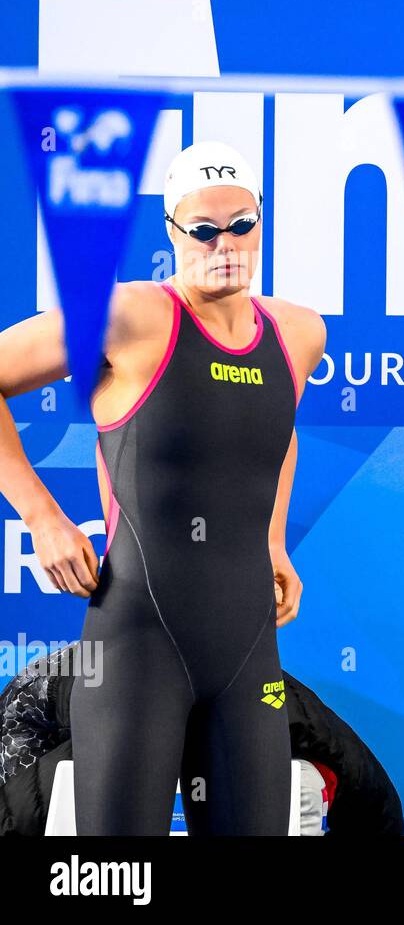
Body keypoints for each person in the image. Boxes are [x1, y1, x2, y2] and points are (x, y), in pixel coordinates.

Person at [0, 140, 326, 834]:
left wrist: (273, 538)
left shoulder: (297, 332)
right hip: (135, 645)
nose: (224, 242)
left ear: (262, 221)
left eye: (240, 224)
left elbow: (276, 428)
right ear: (173, 233)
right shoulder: (128, 317)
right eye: (202, 229)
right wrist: (41, 515)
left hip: (246, 650)